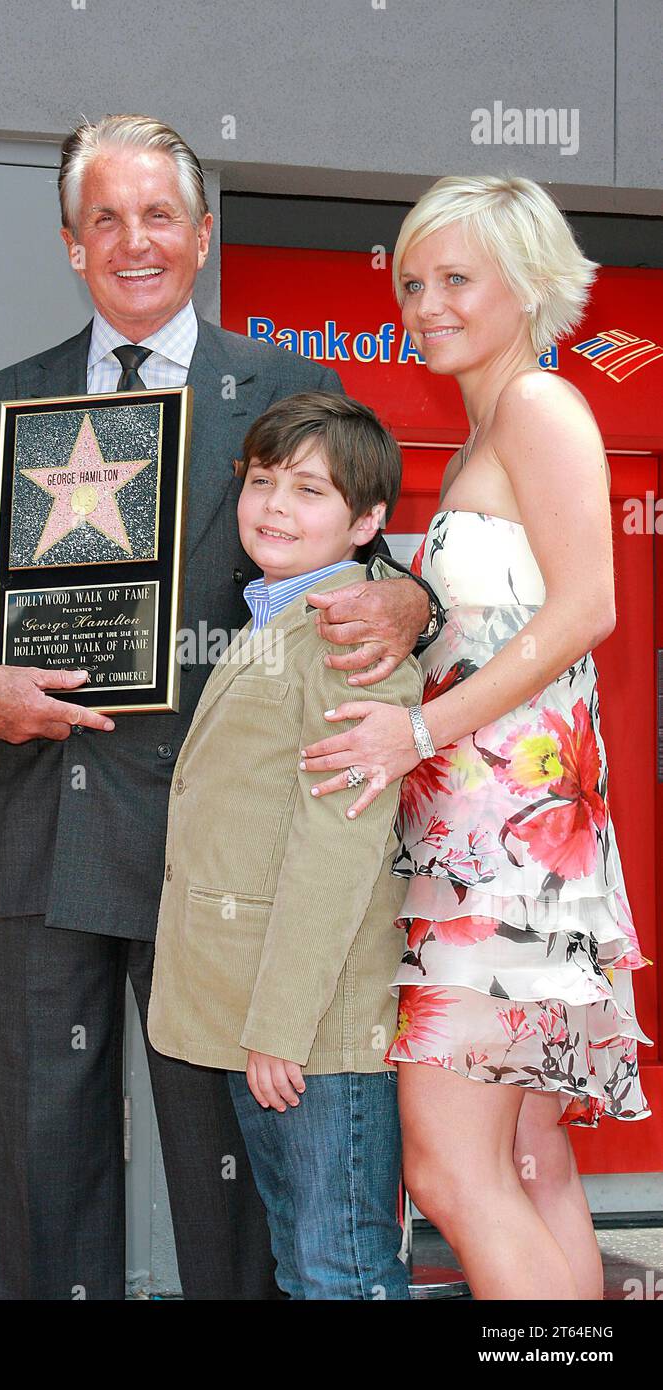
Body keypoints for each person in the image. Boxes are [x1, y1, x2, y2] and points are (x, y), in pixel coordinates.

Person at [0, 114, 437, 1300]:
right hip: (50, 835)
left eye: (158, 216)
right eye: (104, 218)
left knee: (234, 1183)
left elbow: (375, 565)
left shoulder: (288, 383)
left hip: (224, 858)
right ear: (68, 243)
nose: (131, 240)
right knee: (43, 1165)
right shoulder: (9, 399)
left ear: (201, 235)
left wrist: (410, 605)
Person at [298, 174, 652, 1301]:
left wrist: (416, 727)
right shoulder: (484, 435)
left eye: (456, 277)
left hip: (499, 854)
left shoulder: (540, 410)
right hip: (505, 849)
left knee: (450, 1170)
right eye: (411, 281)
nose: (425, 302)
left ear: (528, 282)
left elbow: (586, 607)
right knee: (530, 1162)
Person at [147, 392, 423, 1299]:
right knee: (303, 1263)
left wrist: (279, 1027)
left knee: (337, 1270)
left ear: (369, 520)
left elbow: (336, 851)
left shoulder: (350, 639)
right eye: (263, 482)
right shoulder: (278, 614)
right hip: (264, 1015)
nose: (274, 507)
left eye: (310, 490)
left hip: (312, 1028)